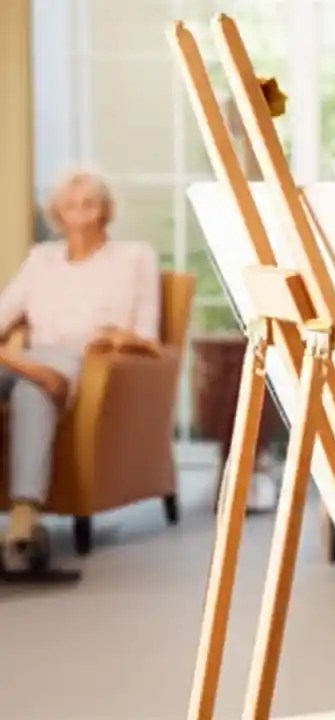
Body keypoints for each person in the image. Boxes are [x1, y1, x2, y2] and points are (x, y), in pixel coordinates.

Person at [1, 168, 160, 573]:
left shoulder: (133, 257)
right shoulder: (41, 259)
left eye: (90, 204)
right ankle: (20, 365)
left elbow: (147, 335)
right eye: (71, 206)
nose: (82, 215)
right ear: (58, 214)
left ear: (106, 210)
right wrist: (19, 358)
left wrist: (121, 337)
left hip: (81, 363)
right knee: (33, 379)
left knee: (30, 392)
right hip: (30, 359)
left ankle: (23, 519)